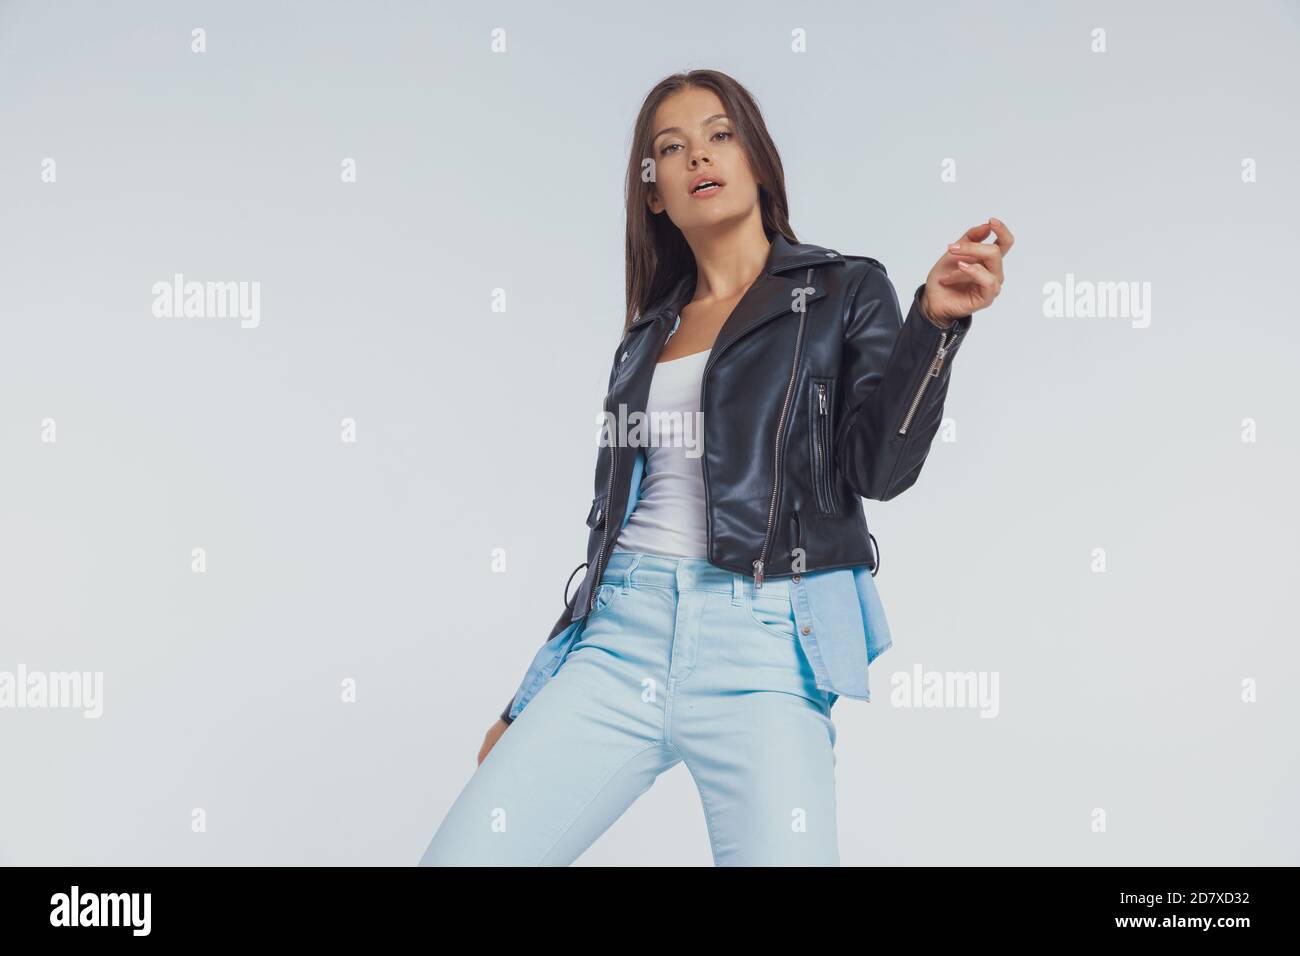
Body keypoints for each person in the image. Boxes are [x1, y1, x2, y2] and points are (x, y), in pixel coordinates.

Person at [420, 69, 1011, 866]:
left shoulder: (841, 290)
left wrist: (934, 325)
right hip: (619, 643)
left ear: (757, 160)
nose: (700, 154)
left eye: (720, 134)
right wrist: (531, 698)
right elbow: (607, 535)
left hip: (765, 646)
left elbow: (879, 468)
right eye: (672, 147)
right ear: (655, 191)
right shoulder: (645, 338)